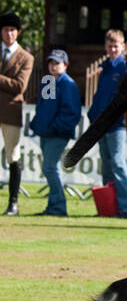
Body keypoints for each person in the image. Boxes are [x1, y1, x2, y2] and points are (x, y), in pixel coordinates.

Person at [26, 50, 81, 217]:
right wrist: (37, 124)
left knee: (50, 167)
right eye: (51, 63)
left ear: (65, 65)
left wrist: (54, 127)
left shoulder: (68, 84)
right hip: (46, 133)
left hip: (58, 133)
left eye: (57, 63)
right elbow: (43, 107)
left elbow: (71, 113)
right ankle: (53, 206)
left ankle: (58, 207)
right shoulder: (48, 81)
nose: (53, 66)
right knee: (50, 168)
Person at [88, 30, 127, 218]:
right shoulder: (105, 67)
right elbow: (100, 97)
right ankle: (109, 207)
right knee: (106, 165)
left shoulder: (124, 67)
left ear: (123, 46)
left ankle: (126, 208)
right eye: (110, 46)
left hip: (117, 124)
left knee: (118, 163)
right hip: (101, 123)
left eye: (116, 45)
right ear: (106, 47)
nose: (113, 49)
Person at [1, 11, 34, 216]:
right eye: (6, 30)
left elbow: (19, 86)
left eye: (12, 30)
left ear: (18, 33)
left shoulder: (26, 57)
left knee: (12, 156)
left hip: (11, 112)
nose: (9, 34)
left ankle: (13, 202)